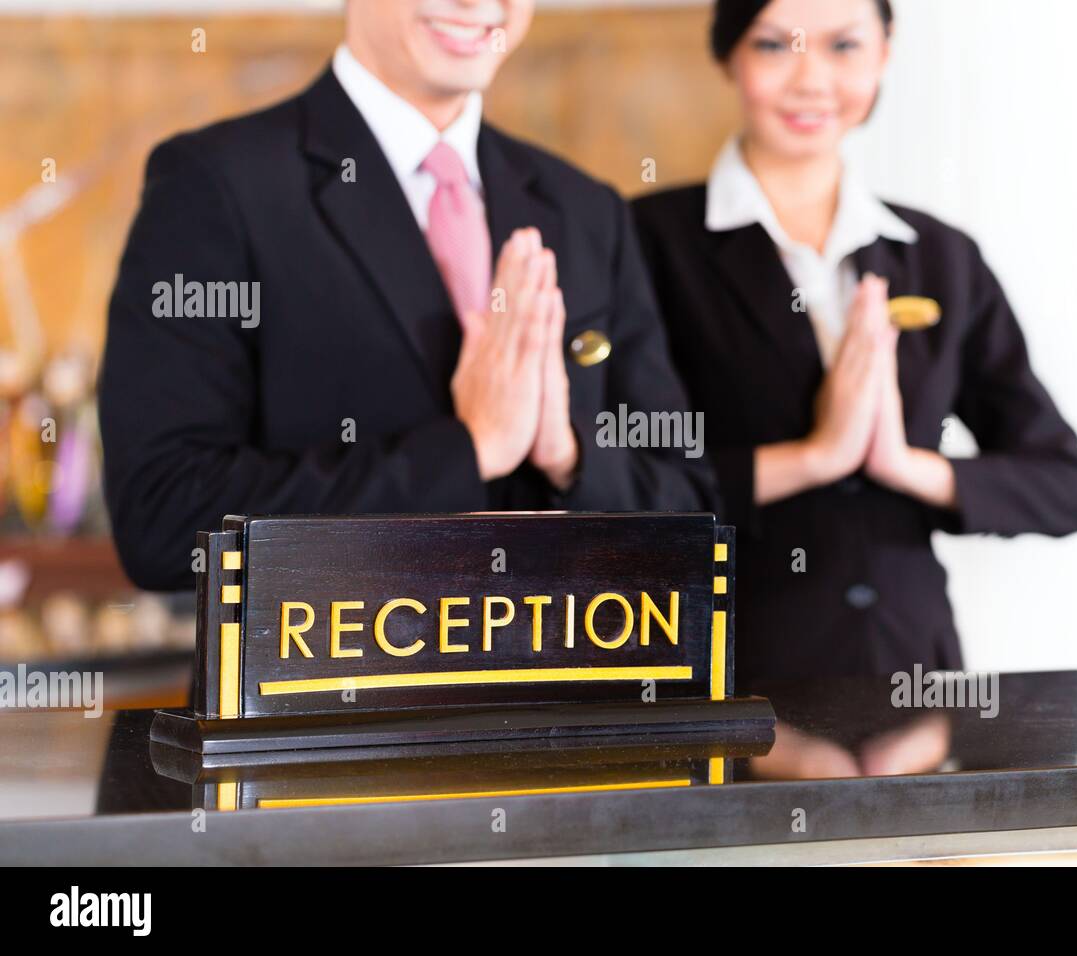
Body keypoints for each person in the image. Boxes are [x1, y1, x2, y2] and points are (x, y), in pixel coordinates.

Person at [100, 0, 714, 592]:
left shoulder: (587, 210)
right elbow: (163, 517)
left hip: (564, 691)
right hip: (330, 692)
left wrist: (569, 453)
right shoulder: (217, 185)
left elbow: (695, 512)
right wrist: (467, 451)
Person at [632, 0, 1077, 684]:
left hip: (915, 680)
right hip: (718, 682)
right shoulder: (640, 240)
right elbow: (612, 485)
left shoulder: (942, 258)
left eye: (845, 47)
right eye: (774, 46)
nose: (811, 79)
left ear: (884, 54)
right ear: (727, 55)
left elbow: (1067, 488)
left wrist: (905, 466)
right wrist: (812, 458)